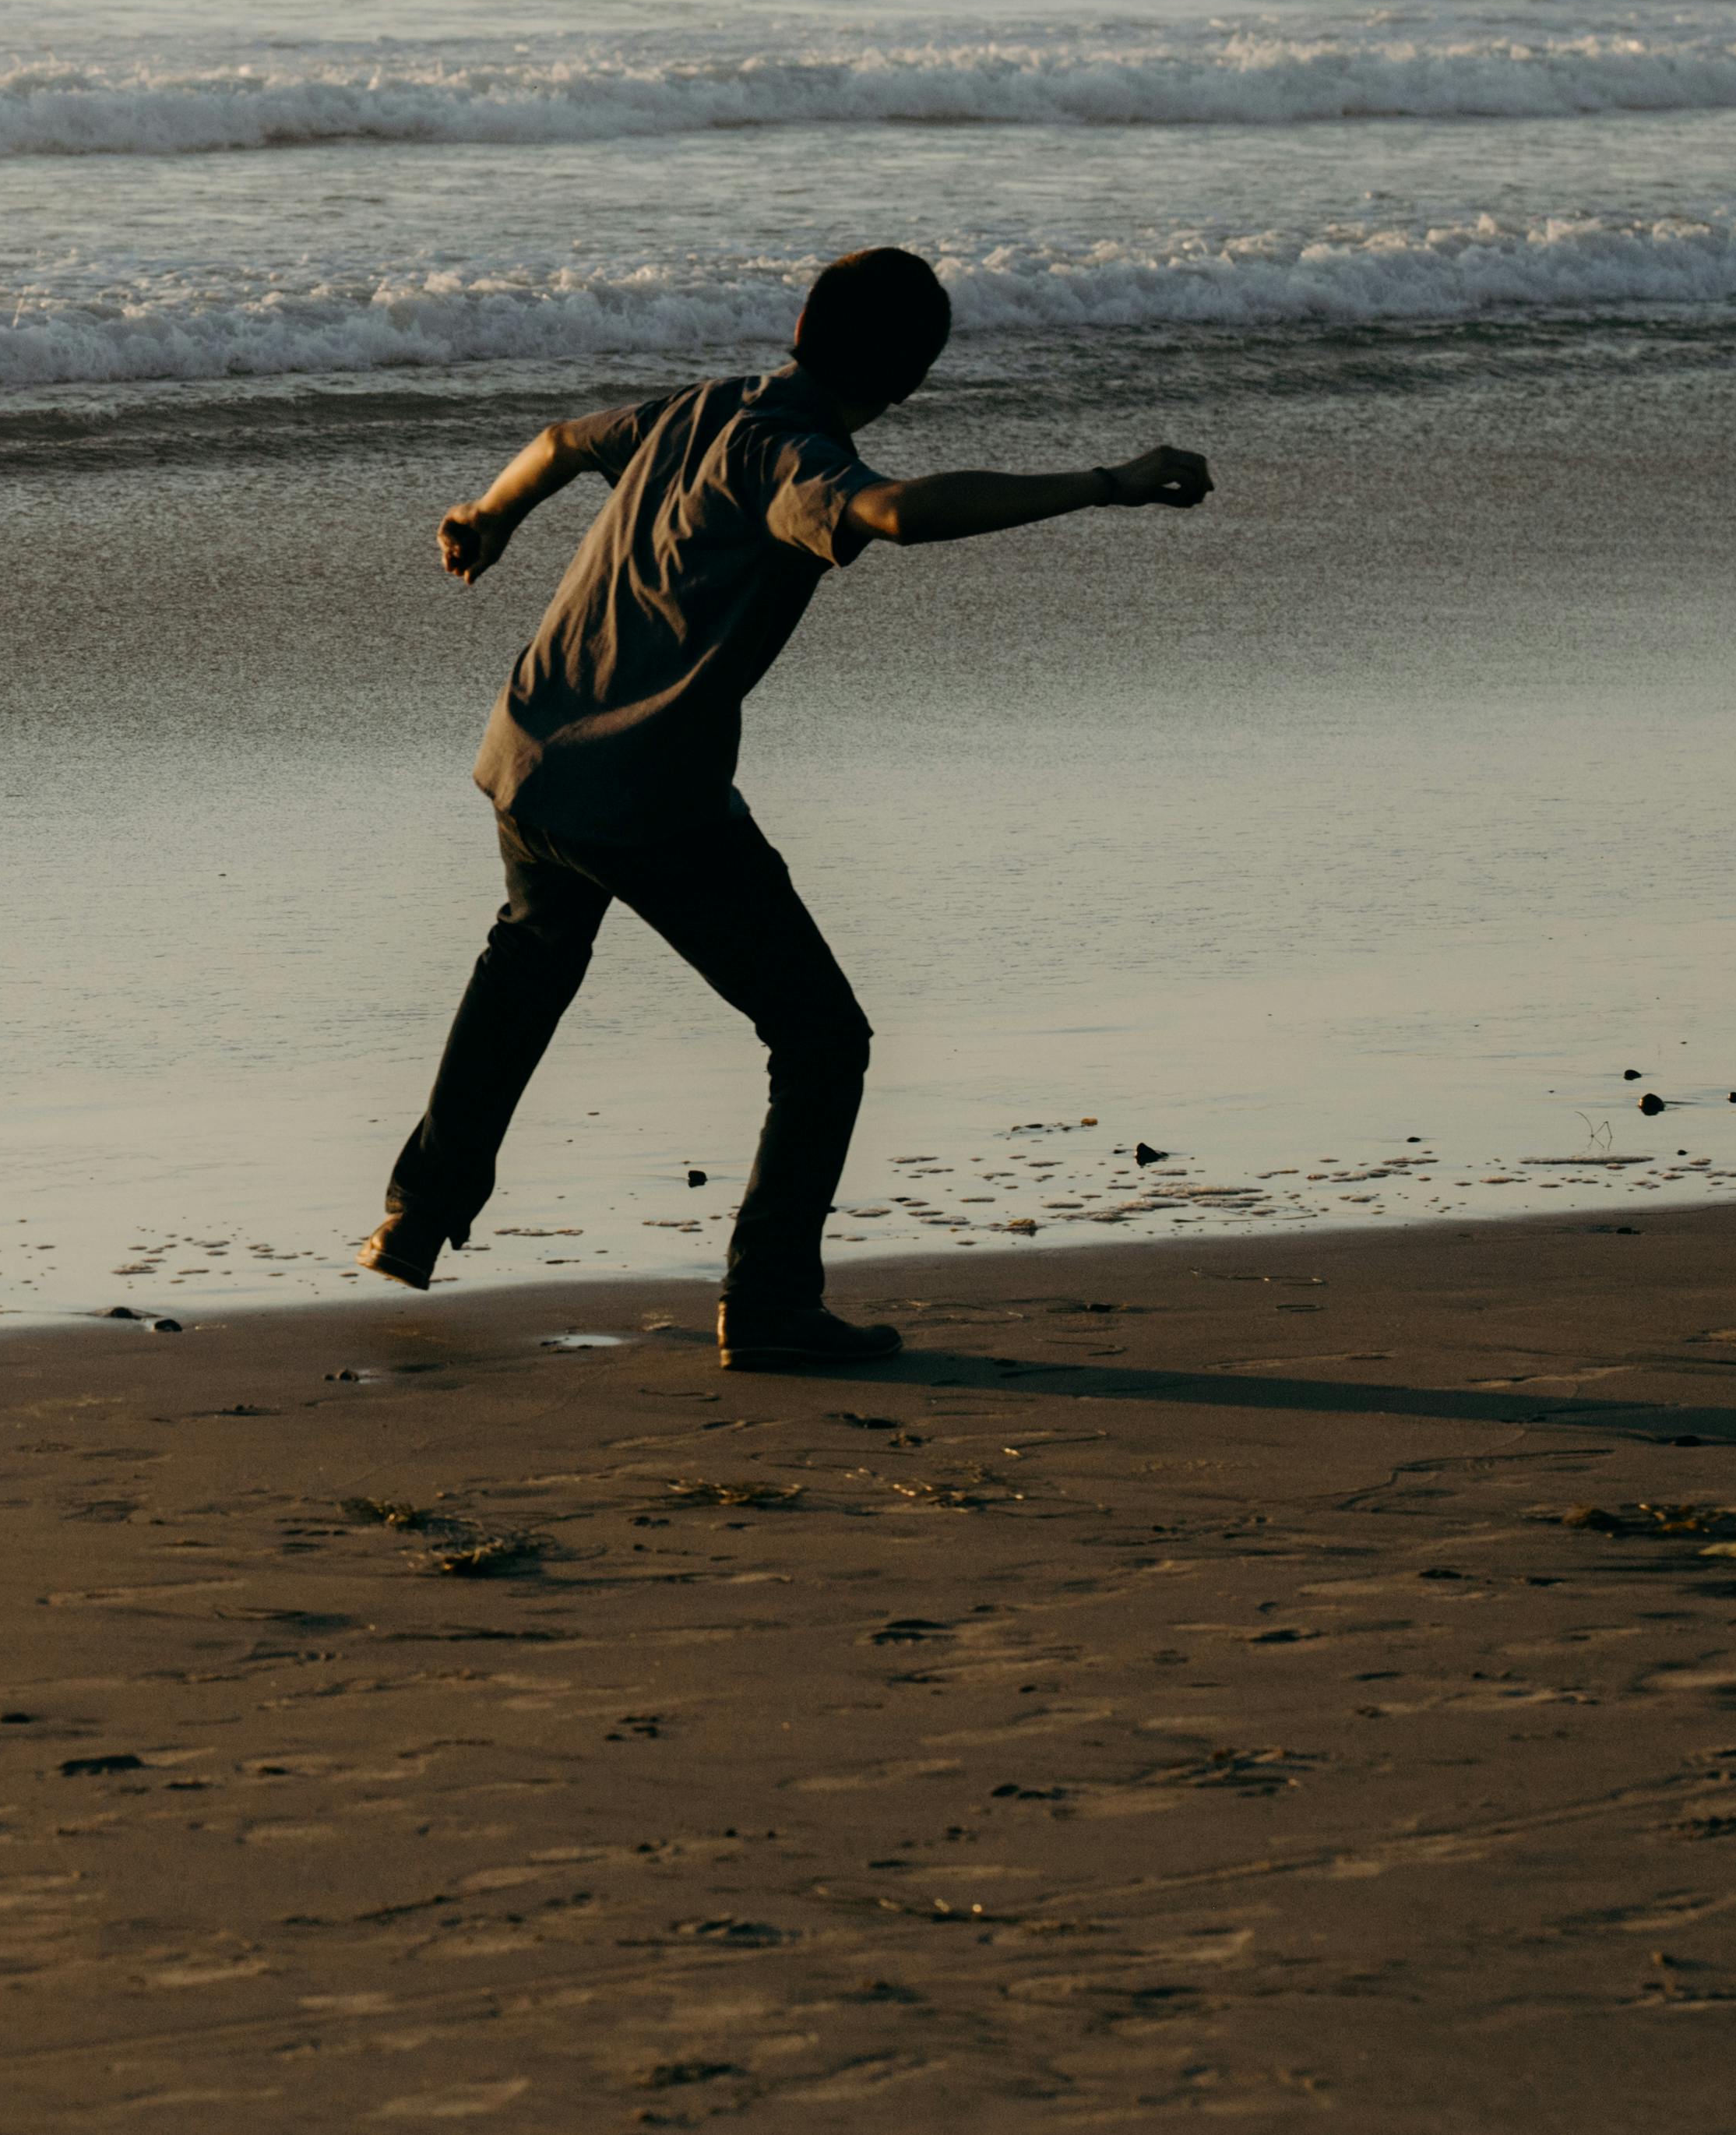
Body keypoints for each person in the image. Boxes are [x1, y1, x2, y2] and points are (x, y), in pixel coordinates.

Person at [361, 245, 1211, 1370]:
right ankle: (768, 1304)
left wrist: (491, 513)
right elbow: (896, 512)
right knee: (821, 1038)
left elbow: (565, 443)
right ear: (911, 380)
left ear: (801, 322)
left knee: (529, 959)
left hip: (526, 753)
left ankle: (418, 1213)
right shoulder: (790, 456)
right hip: (648, 792)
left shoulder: (700, 409)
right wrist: (1106, 483)